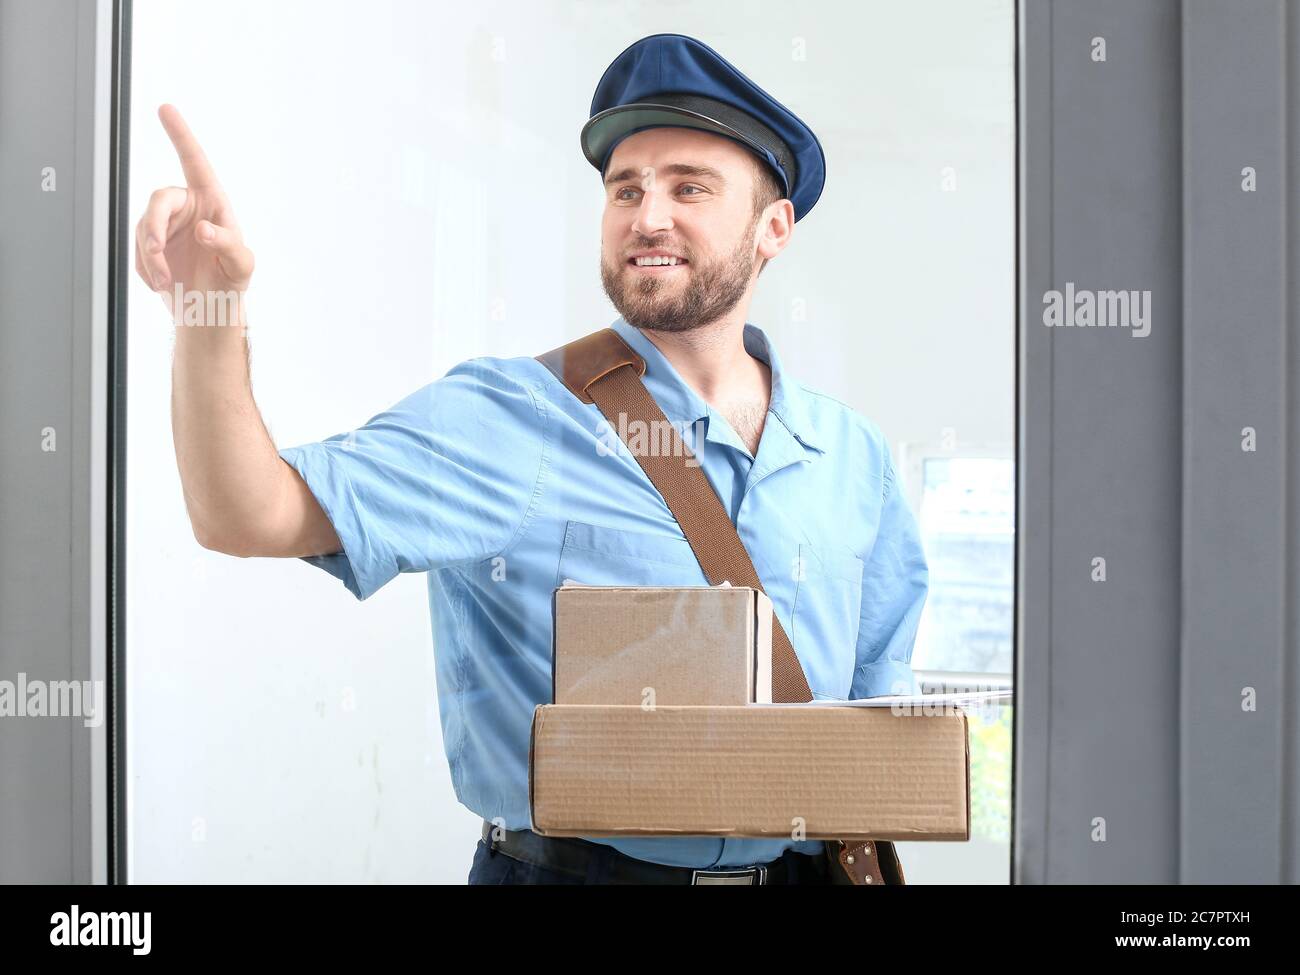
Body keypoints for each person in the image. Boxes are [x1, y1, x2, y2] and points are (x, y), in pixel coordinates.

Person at [135, 33, 929, 885]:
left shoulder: (853, 457)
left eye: (689, 187)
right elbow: (244, 512)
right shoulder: (509, 417)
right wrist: (209, 311)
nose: (647, 217)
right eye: (626, 188)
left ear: (774, 227)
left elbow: (877, 724)